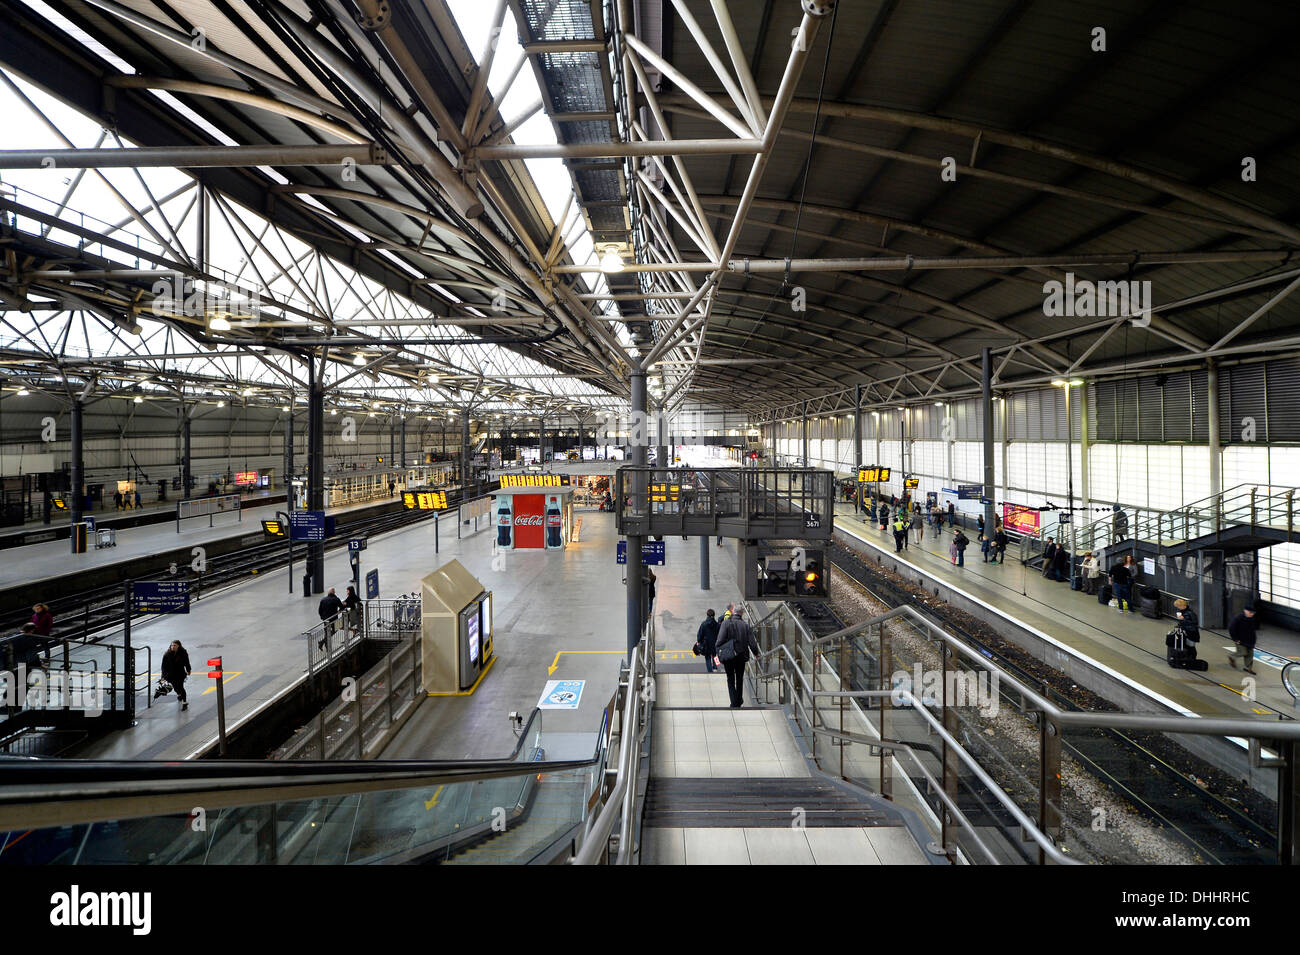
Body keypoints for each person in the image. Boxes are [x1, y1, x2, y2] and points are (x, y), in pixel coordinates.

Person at [714, 605, 760, 708]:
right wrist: (756, 653)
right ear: (742, 613)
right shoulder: (745, 625)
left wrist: (718, 650)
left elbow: (720, 640)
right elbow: (752, 642)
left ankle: (734, 702)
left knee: (730, 679)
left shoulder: (726, 623)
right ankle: (738, 701)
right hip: (741, 656)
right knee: (739, 679)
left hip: (729, 656)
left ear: (733, 612)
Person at [1228, 605, 1260, 674]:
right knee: (1242, 652)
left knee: (1250, 655)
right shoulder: (1238, 618)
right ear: (1245, 611)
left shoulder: (1253, 619)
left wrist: (1254, 640)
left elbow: (1253, 631)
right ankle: (1231, 656)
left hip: (1250, 640)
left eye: (1253, 613)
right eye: (1250, 612)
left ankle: (1248, 668)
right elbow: (1231, 629)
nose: (1252, 614)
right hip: (1240, 640)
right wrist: (1235, 639)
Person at [161, 639, 192, 710]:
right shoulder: (167, 654)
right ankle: (179, 694)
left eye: (175, 645)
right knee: (175, 688)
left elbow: (186, 662)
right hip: (171, 675)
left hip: (180, 673)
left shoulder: (183, 653)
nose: (173, 647)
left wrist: (188, 669)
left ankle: (184, 702)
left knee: (181, 687)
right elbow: (163, 666)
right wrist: (163, 676)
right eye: (172, 645)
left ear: (179, 646)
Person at [696, 609, 721, 673]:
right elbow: (720, 634)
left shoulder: (704, 624)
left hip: (706, 644)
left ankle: (710, 671)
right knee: (715, 655)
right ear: (714, 615)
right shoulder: (717, 625)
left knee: (707, 657)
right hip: (715, 643)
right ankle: (715, 667)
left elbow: (700, 634)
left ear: (707, 615)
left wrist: (699, 641)